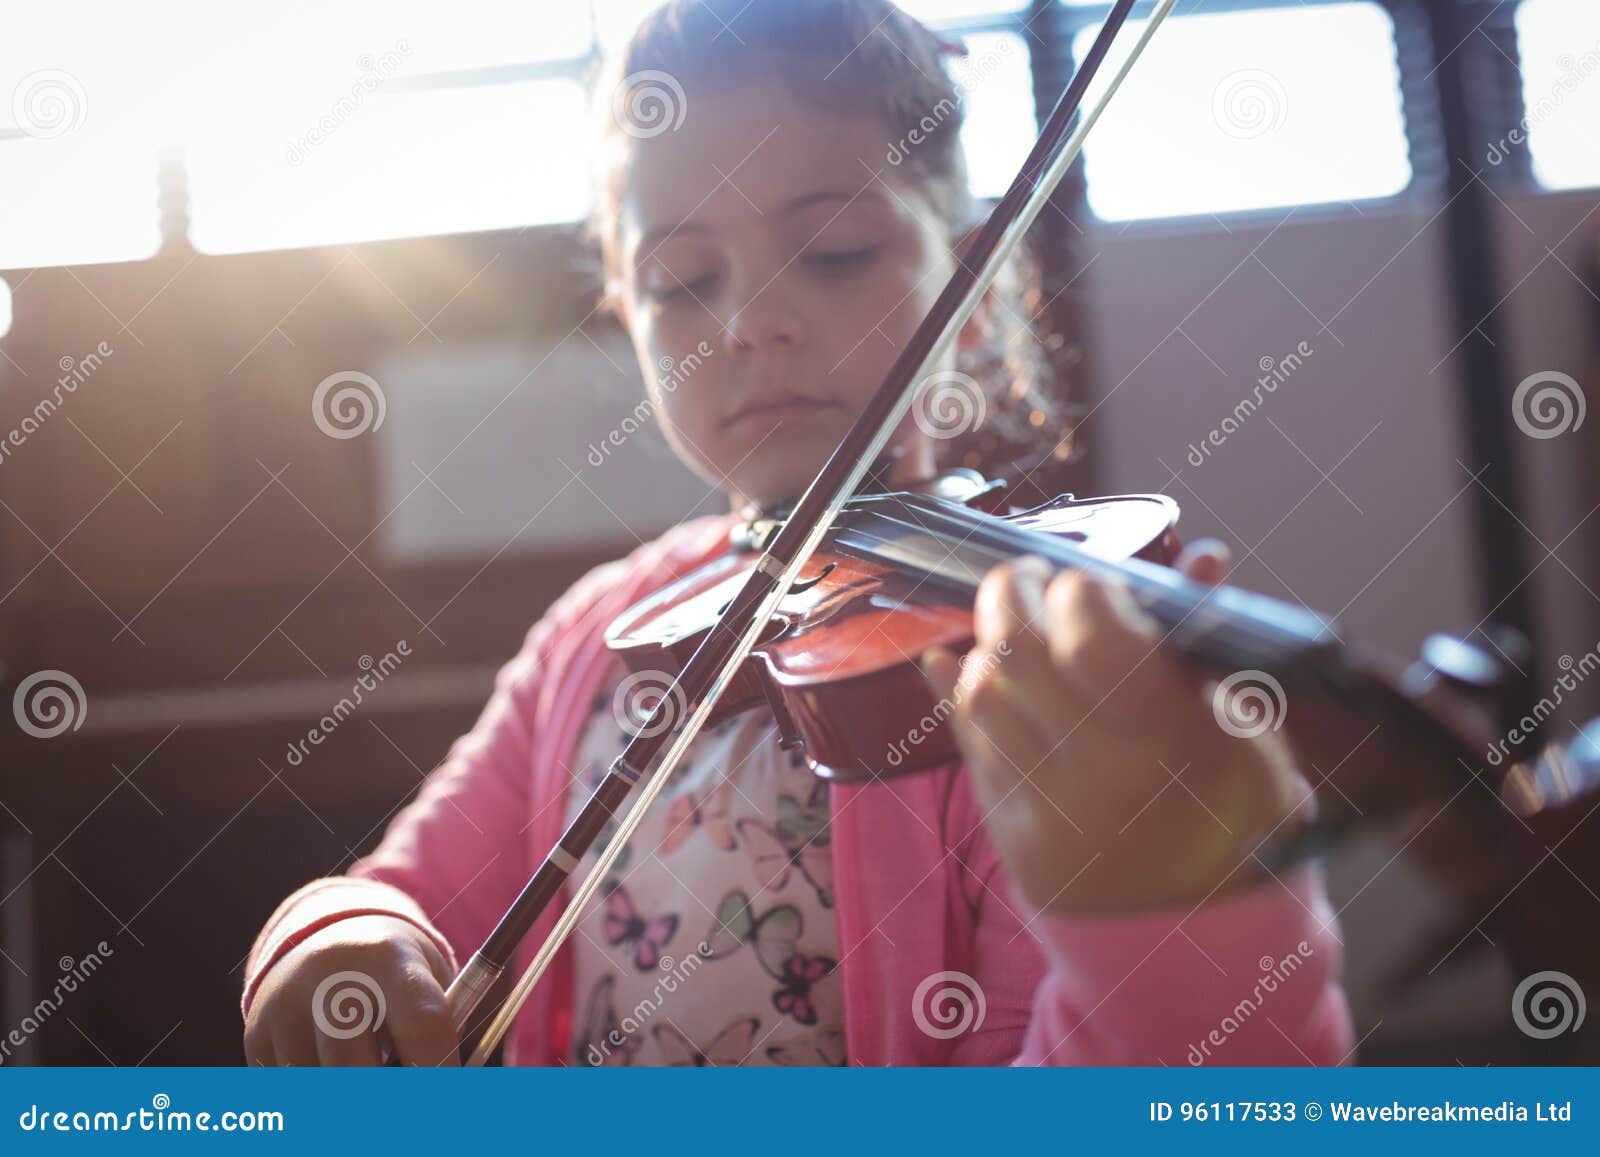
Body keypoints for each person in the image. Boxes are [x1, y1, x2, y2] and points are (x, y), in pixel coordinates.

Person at [241, 0, 1353, 1067]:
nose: (749, 322)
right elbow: (405, 890)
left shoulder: (1020, 667)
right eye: (682, 279)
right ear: (628, 315)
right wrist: (332, 936)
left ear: (968, 282)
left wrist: (1177, 919)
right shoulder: (591, 638)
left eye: (831, 254)